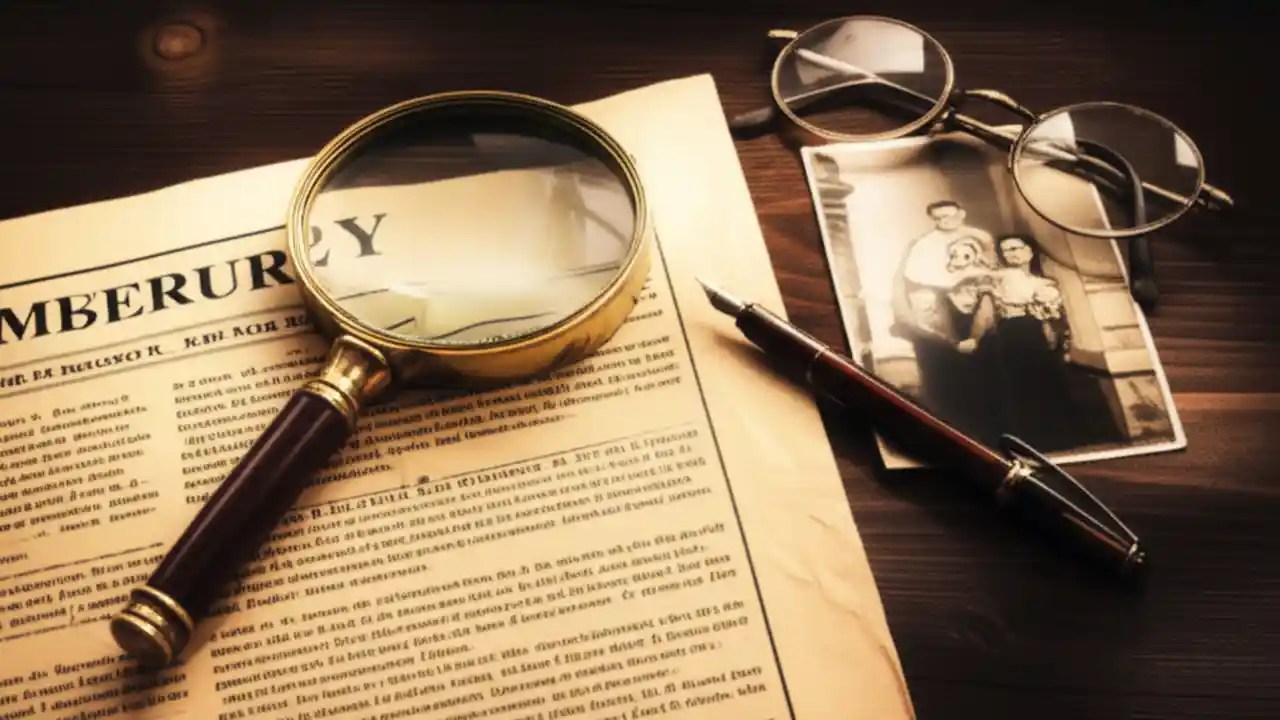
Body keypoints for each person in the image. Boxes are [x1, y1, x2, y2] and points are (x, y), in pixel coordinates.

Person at [889, 201, 997, 430]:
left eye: (949, 216)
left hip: (976, 310)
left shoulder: (981, 238)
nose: (944, 222)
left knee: (985, 372)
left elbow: (991, 274)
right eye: (938, 218)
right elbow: (909, 280)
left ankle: (988, 427)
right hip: (939, 313)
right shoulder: (923, 244)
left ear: (962, 214)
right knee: (944, 374)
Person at [982, 234, 1083, 451]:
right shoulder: (998, 282)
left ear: (1029, 251)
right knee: (1019, 386)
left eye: (1015, 248)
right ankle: (1030, 442)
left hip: (1040, 335)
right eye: (1005, 250)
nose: (1010, 254)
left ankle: (1061, 438)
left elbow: (1059, 319)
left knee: (1048, 383)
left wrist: (1060, 340)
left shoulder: (1046, 283)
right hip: (1011, 334)